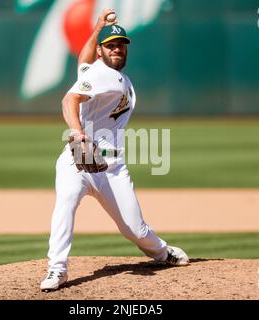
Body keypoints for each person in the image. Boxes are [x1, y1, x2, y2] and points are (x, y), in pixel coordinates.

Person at [40, 9, 189, 292]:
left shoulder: (96, 72)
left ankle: (161, 252)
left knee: (135, 229)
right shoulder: (102, 76)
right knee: (65, 205)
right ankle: (56, 269)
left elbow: (82, 60)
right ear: (102, 52)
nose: (117, 49)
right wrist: (78, 134)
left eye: (121, 44)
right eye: (110, 45)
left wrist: (97, 29)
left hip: (112, 168)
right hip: (78, 160)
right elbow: (68, 101)